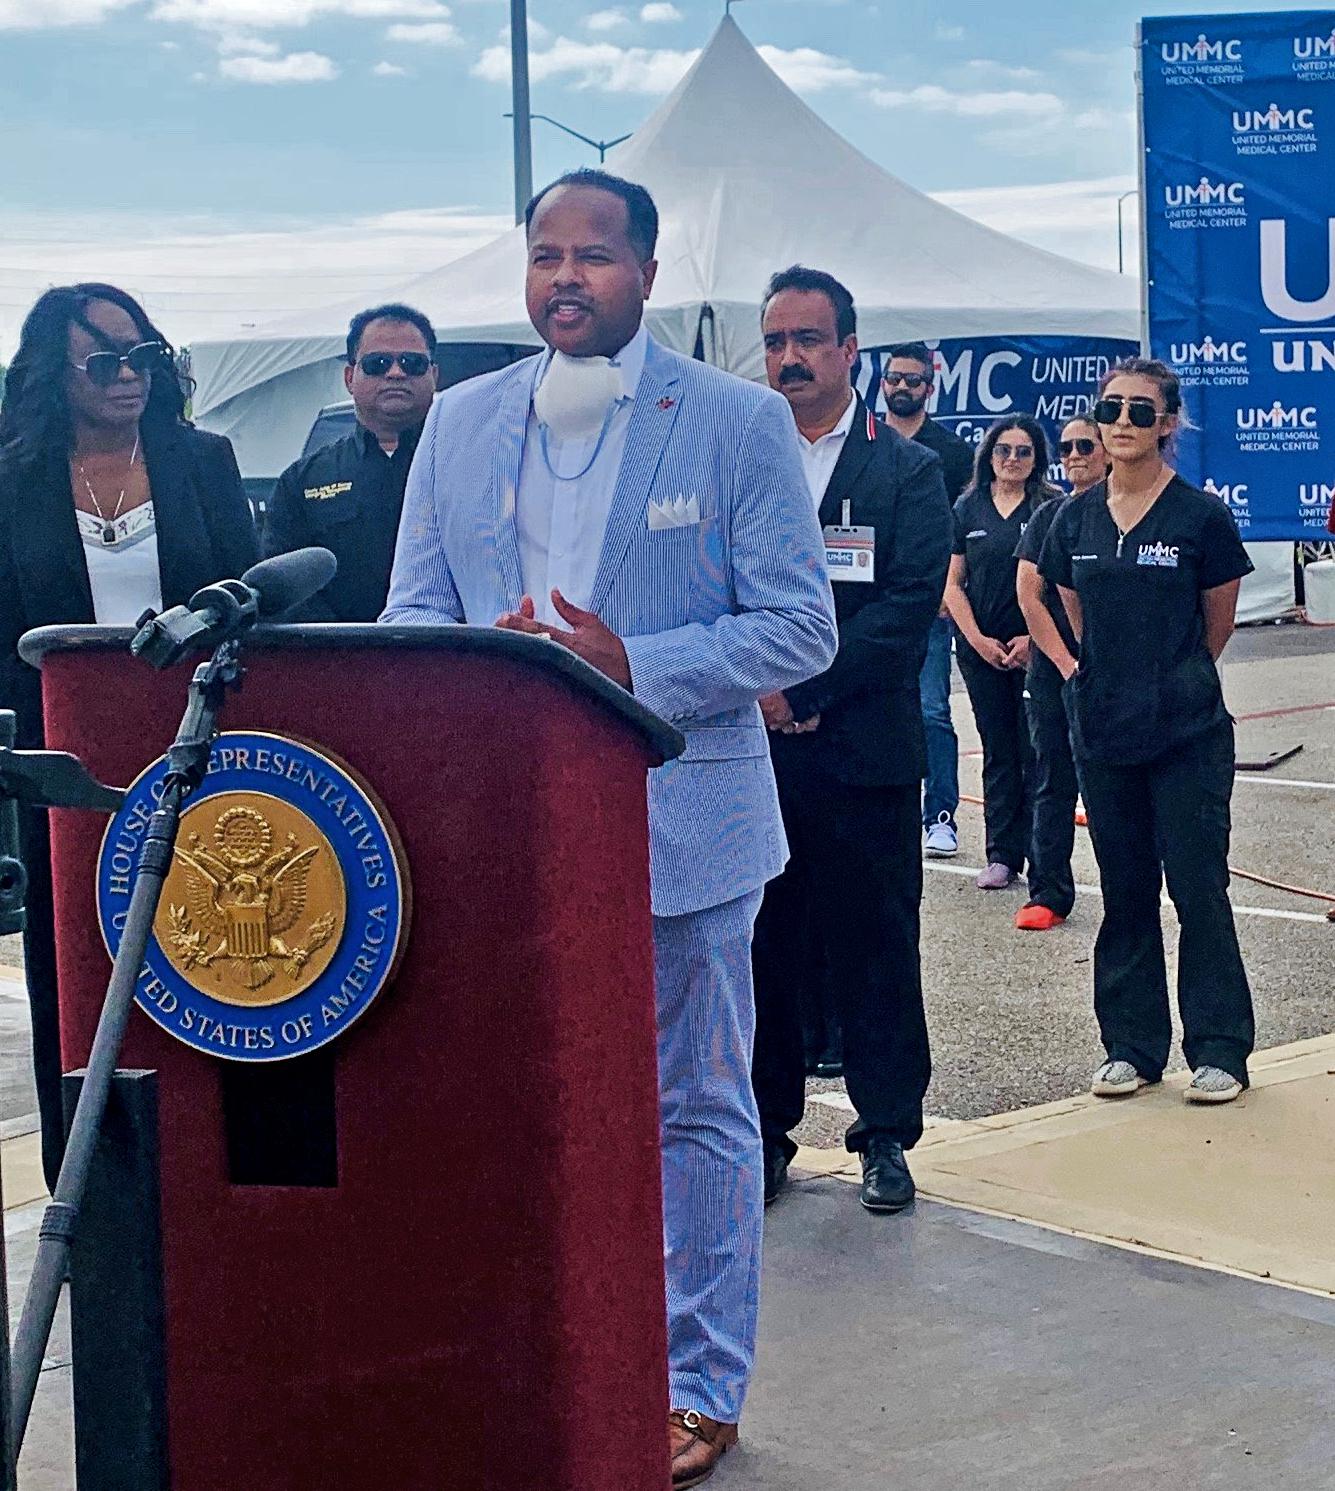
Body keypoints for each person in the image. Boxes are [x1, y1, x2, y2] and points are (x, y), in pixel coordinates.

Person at [381, 169, 837, 1488]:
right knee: (516, 1101)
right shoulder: (461, 419)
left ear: (645, 271)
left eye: (592, 255)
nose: (565, 277)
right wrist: (483, 660)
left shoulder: (736, 420)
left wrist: (628, 661)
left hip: (682, 822)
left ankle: (697, 1381)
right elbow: (410, 613)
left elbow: (797, 627)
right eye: (544, 255)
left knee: (695, 1108)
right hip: (503, 836)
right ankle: (536, 1350)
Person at [0, 283, 257, 1191]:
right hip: (62, 769)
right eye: (104, 361)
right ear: (55, 375)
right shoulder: (13, 479)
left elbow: (247, 607)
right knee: (71, 971)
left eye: (144, 355)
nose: (129, 376)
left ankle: (210, 1173)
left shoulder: (203, 460)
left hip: (195, 753)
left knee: (210, 956)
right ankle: (86, 1187)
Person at [750, 269, 949, 1216]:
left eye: (807, 340)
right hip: (756, 754)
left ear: (848, 351)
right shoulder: (742, 456)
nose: (789, 358)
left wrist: (805, 690)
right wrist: (759, 693)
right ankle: (762, 1132)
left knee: (876, 945)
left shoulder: (904, 470)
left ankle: (885, 1135)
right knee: (765, 947)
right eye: (774, 341)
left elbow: (906, 608)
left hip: (863, 752)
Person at [1037, 358, 1255, 1105]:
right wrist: (1091, 677)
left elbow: (1216, 624)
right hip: (1105, 731)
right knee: (1125, 890)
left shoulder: (1201, 516)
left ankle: (1219, 1048)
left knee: (1198, 888)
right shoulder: (1074, 518)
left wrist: (1171, 683)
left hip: (1187, 734)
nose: (1122, 422)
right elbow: (1074, 611)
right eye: (1110, 409)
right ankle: (1130, 1046)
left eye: (1139, 410)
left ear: (1166, 423)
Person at [264, 303, 437, 620]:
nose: (395, 373)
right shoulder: (303, 481)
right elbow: (282, 589)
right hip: (338, 646)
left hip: (451, 644)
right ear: (349, 377)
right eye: (377, 363)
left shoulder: (472, 466)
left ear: (434, 375)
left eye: (412, 363)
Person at [944, 416, 1057, 890]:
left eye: (1023, 451)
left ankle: (1042, 857)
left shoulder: (1051, 506)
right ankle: (1002, 855)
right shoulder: (967, 507)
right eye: (1003, 450)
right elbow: (953, 584)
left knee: (1037, 751)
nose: (1012, 459)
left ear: (1037, 459)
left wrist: (1036, 638)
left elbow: (1062, 586)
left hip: (1037, 650)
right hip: (982, 652)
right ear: (989, 455)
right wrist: (975, 639)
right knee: (999, 751)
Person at [1011, 415, 1107, 930]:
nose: (1073, 456)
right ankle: (1048, 892)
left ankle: (1128, 890)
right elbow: (1029, 596)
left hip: (1117, 674)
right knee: (1051, 778)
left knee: (1115, 784)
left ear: (1108, 450)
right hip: (1057, 671)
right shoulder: (1049, 516)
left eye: (1084, 446)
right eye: (1066, 447)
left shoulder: (1128, 512)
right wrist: (1069, 665)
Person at [879, 342, 974, 859]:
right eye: (895, 378)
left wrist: (946, 590)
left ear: (929, 388)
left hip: (928, 607)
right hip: (868, 606)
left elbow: (960, 530)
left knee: (933, 711)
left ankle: (940, 816)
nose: (902, 387)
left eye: (913, 380)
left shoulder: (951, 453)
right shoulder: (864, 441)